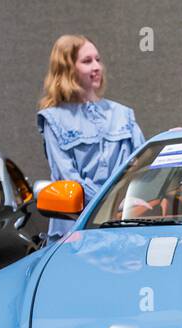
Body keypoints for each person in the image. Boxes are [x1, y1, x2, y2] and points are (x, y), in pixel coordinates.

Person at [37, 34, 144, 238]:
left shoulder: (122, 114)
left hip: (125, 228)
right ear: (67, 69)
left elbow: (143, 167)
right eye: (87, 61)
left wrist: (169, 143)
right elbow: (67, 178)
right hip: (75, 233)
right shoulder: (53, 119)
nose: (97, 67)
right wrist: (110, 206)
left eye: (98, 59)